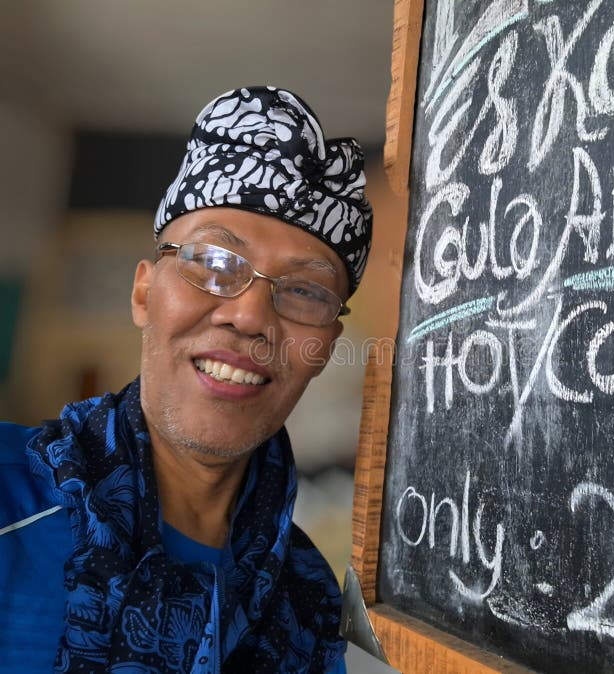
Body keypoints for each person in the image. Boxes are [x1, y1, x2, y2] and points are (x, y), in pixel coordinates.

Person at [0, 86, 372, 673]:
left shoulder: (310, 606)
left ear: (325, 346)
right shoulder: (11, 497)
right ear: (144, 292)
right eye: (214, 262)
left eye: (304, 290)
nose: (249, 316)